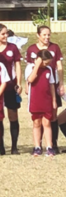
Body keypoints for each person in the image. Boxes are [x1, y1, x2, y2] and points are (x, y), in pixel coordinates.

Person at [25, 26, 64, 151]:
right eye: (44, 35)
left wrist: (61, 83)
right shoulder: (31, 49)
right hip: (36, 90)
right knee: (37, 120)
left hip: (49, 86)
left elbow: (59, 67)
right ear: (38, 35)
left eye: (49, 35)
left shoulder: (54, 47)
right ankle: (38, 145)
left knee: (52, 116)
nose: (47, 37)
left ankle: (52, 144)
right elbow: (29, 75)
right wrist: (26, 86)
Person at [25, 49, 56, 157]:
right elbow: (31, 79)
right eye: (45, 62)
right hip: (35, 100)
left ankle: (49, 146)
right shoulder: (31, 68)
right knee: (37, 123)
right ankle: (37, 146)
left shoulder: (49, 70)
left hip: (46, 100)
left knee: (47, 123)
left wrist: (54, 100)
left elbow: (51, 85)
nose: (47, 65)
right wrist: (37, 66)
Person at [0, 23, 22, 154]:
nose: (6, 36)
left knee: (13, 115)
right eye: (3, 33)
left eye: (7, 33)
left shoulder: (12, 47)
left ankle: (14, 147)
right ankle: (1, 147)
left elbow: (17, 65)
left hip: (10, 86)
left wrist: (18, 83)